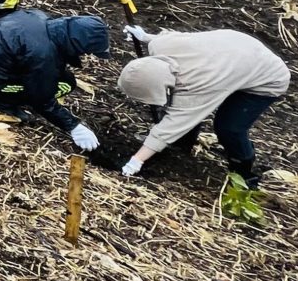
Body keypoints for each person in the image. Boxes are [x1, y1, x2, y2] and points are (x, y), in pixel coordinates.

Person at [115, 25, 289, 183]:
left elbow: (173, 123)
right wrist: (145, 36)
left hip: (265, 77)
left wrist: (137, 160)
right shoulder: (160, 46)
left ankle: (244, 173)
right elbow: (167, 38)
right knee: (186, 108)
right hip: (236, 52)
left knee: (229, 128)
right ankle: (179, 147)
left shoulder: (197, 84)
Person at [0, 8, 108, 150]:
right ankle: (2, 102)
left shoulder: (39, 16)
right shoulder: (42, 55)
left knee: (65, 79)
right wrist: (73, 126)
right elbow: (42, 99)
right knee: (63, 85)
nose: (86, 55)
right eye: (87, 51)